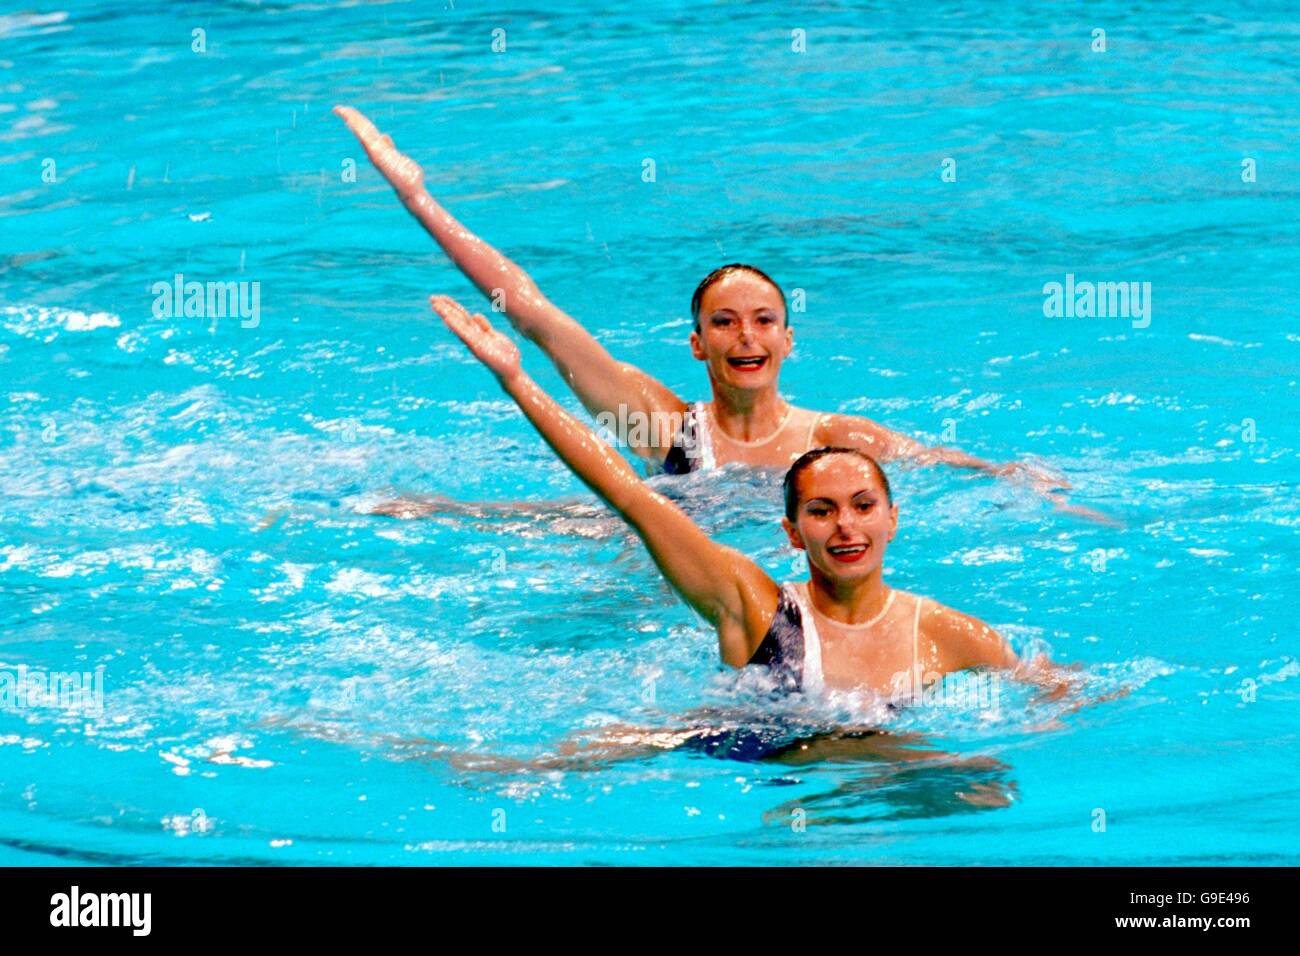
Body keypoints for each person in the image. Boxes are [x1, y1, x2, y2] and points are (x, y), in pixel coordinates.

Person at [333, 106, 1087, 506]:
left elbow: (958, 467)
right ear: (697, 345)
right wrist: (415, 195)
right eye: (724, 323)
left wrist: (1021, 476)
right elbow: (534, 314)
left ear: (790, 340)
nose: (745, 336)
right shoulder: (661, 427)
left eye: (762, 320)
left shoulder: (836, 441)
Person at [425, 293, 1080, 708]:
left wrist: (1066, 693)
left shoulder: (944, 630)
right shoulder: (753, 601)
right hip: (740, 756)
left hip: (861, 775)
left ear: (893, 520)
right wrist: (515, 379)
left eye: (862, 505)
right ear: (792, 533)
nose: (846, 526)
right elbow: (623, 491)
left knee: (979, 786)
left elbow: (1044, 683)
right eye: (821, 512)